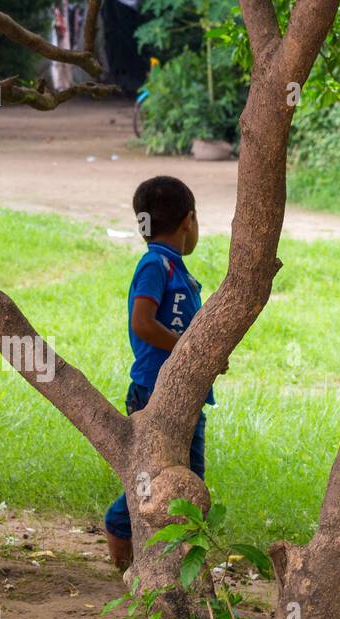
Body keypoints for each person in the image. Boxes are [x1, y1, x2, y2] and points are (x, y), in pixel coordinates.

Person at [104, 176, 213, 571]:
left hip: (181, 391)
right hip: (154, 390)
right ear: (189, 221)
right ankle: (120, 527)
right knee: (176, 477)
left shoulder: (176, 270)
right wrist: (189, 350)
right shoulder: (155, 265)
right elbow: (143, 323)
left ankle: (162, 560)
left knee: (180, 476)